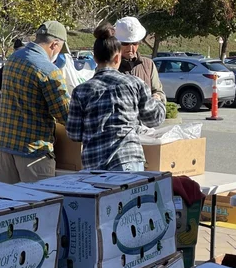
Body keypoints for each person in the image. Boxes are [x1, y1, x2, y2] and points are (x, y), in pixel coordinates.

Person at [66, 24, 165, 171]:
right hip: (128, 159)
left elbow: (74, 134)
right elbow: (154, 119)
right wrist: (158, 100)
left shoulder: (81, 91)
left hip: (94, 163)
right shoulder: (135, 84)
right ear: (118, 57)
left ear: (94, 58)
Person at [0, 21, 70, 183]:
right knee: (40, 205)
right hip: (33, 152)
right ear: (54, 45)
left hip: (6, 145)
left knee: (9, 204)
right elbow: (65, 115)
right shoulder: (48, 70)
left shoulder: (13, 59)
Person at [114, 17, 166, 102]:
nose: (130, 48)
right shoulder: (111, 65)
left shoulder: (148, 64)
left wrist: (157, 97)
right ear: (117, 42)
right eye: (125, 43)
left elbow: (159, 91)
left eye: (134, 43)